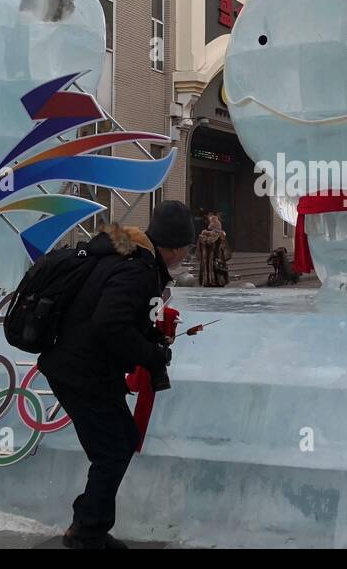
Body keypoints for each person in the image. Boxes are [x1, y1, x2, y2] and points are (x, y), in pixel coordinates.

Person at [37, 200, 195, 549]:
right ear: (176, 246)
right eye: (186, 246)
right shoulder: (136, 270)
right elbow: (109, 324)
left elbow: (115, 317)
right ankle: (86, 533)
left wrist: (149, 338)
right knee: (111, 451)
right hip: (81, 371)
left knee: (120, 439)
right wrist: (150, 354)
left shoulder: (132, 261)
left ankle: (87, 525)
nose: (186, 253)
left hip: (83, 366)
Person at [196, 214, 233, 287]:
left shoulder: (201, 238)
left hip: (205, 276)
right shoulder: (220, 238)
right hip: (218, 274)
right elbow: (227, 255)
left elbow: (198, 256)